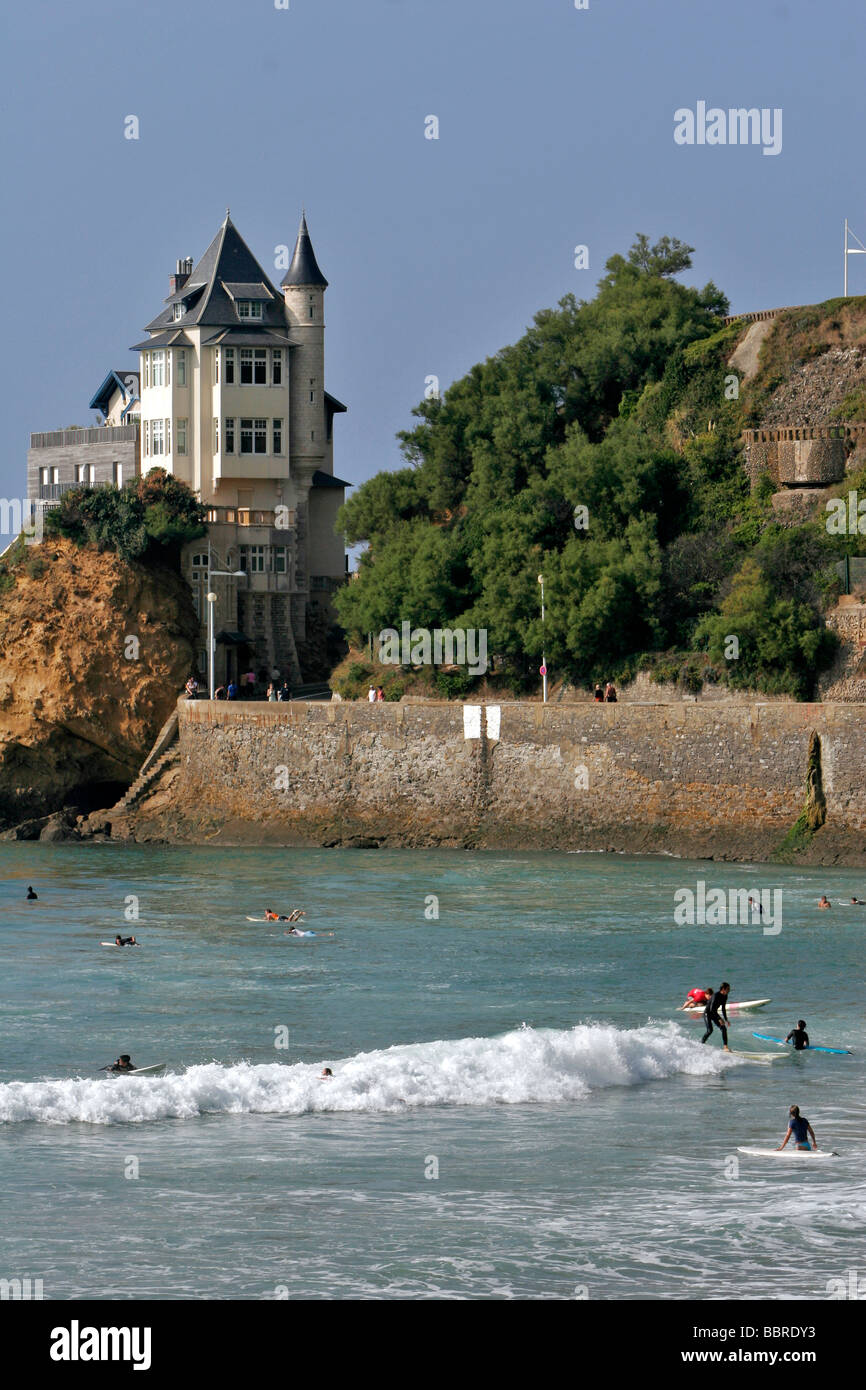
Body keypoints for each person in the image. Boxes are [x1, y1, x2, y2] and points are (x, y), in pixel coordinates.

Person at [701, 982, 731, 1049]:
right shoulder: (715, 995)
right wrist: (719, 1018)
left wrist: (726, 1020)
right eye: (728, 989)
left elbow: (723, 1009)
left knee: (723, 1028)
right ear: (723, 989)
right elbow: (711, 1009)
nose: (729, 991)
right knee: (710, 1030)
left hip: (714, 1013)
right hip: (707, 1013)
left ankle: (725, 1047)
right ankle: (701, 1044)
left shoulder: (725, 996)